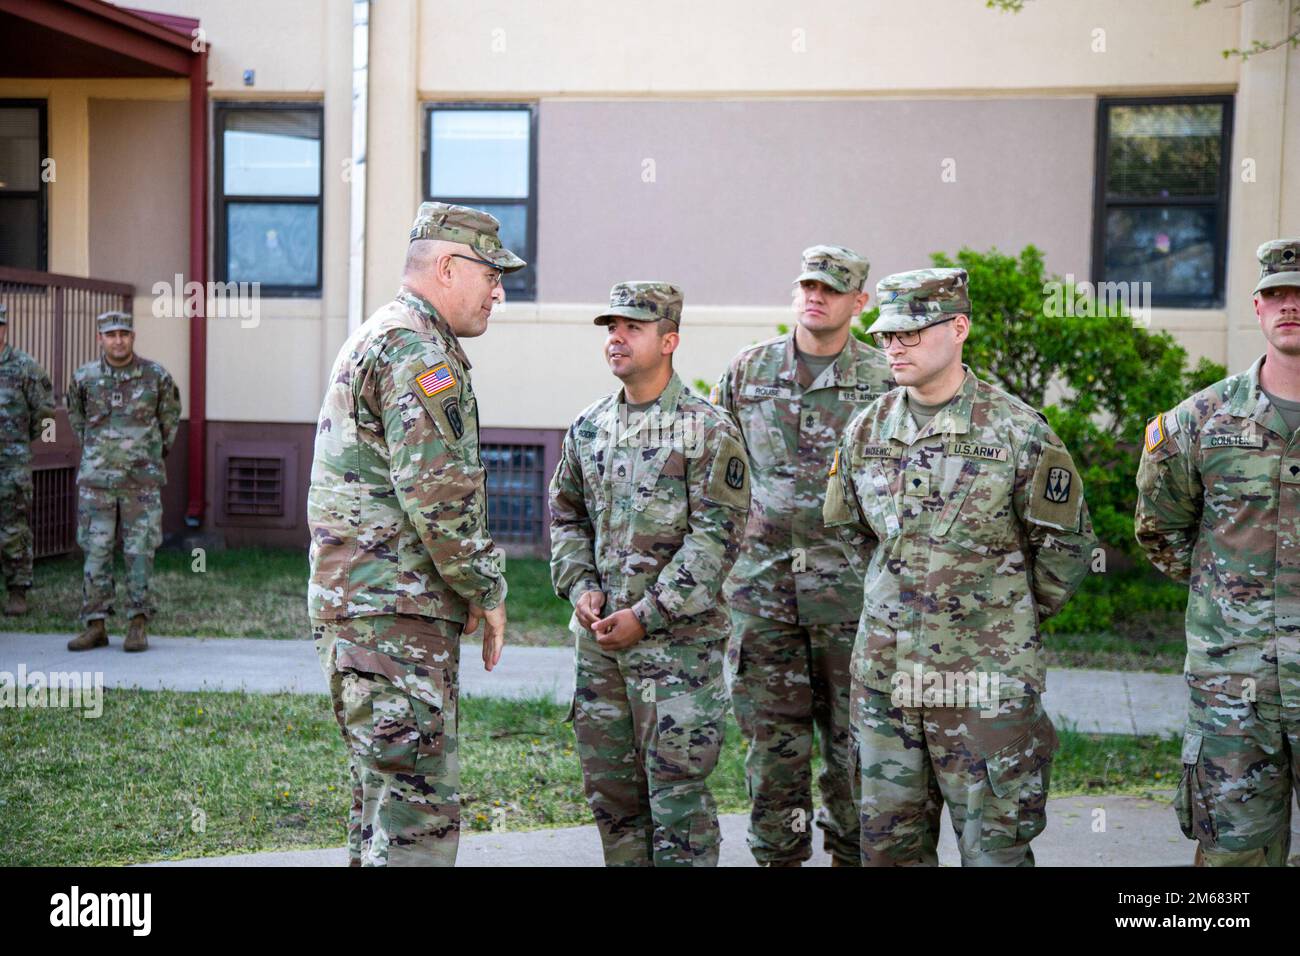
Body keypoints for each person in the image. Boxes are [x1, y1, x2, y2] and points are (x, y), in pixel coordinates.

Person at [824, 267, 1095, 866]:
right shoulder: (866, 429)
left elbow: (1067, 549)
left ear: (960, 328)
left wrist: (1000, 620)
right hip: (887, 679)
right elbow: (851, 533)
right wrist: (902, 596)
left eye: (912, 333)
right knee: (888, 851)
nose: (894, 346)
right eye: (888, 334)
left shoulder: (1018, 432)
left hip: (985, 685)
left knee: (993, 850)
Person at [308, 201, 520, 866]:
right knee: (415, 825)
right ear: (451, 269)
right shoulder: (418, 351)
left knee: (381, 810)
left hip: (367, 612)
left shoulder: (383, 334)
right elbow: (440, 498)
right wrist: (488, 590)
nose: (499, 292)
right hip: (393, 619)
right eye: (492, 274)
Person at [549, 281, 750, 866]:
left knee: (677, 802)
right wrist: (581, 585)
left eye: (632, 327)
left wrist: (647, 614)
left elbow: (716, 539)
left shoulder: (708, 429)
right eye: (612, 327)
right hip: (601, 652)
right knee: (613, 799)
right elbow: (567, 515)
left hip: (676, 655)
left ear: (670, 341)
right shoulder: (588, 426)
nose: (616, 338)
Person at [712, 244, 892, 867]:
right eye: (808, 286)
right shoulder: (747, 372)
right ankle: (777, 858)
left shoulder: (884, 381)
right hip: (763, 599)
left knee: (856, 750)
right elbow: (717, 476)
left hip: (854, 599)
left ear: (858, 303)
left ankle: (850, 855)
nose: (816, 297)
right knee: (771, 750)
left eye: (832, 289)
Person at [1135, 238, 1300, 867]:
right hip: (1236, 690)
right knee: (1233, 861)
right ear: (1257, 308)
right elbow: (1161, 531)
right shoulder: (1199, 421)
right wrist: (1228, 597)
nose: (1290, 306)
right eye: (1277, 294)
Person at [66, 310, 181, 652]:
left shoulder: (155, 376)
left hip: (140, 483)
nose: (118, 340)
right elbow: (77, 419)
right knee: (96, 552)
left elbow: (169, 422)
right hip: (96, 483)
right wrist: (99, 453)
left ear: (133, 337)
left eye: (124, 334)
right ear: (100, 338)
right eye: (111, 334)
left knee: (140, 552)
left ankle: (137, 623)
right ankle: (96, 624)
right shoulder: (84, 377)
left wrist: (147, 456)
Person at [0, 303, 56, 617]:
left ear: (5, 328)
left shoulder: (25, 367)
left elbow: (45, 413)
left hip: (11, 464)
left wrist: (23, 443)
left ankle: (17, 591)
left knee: (14, 529)